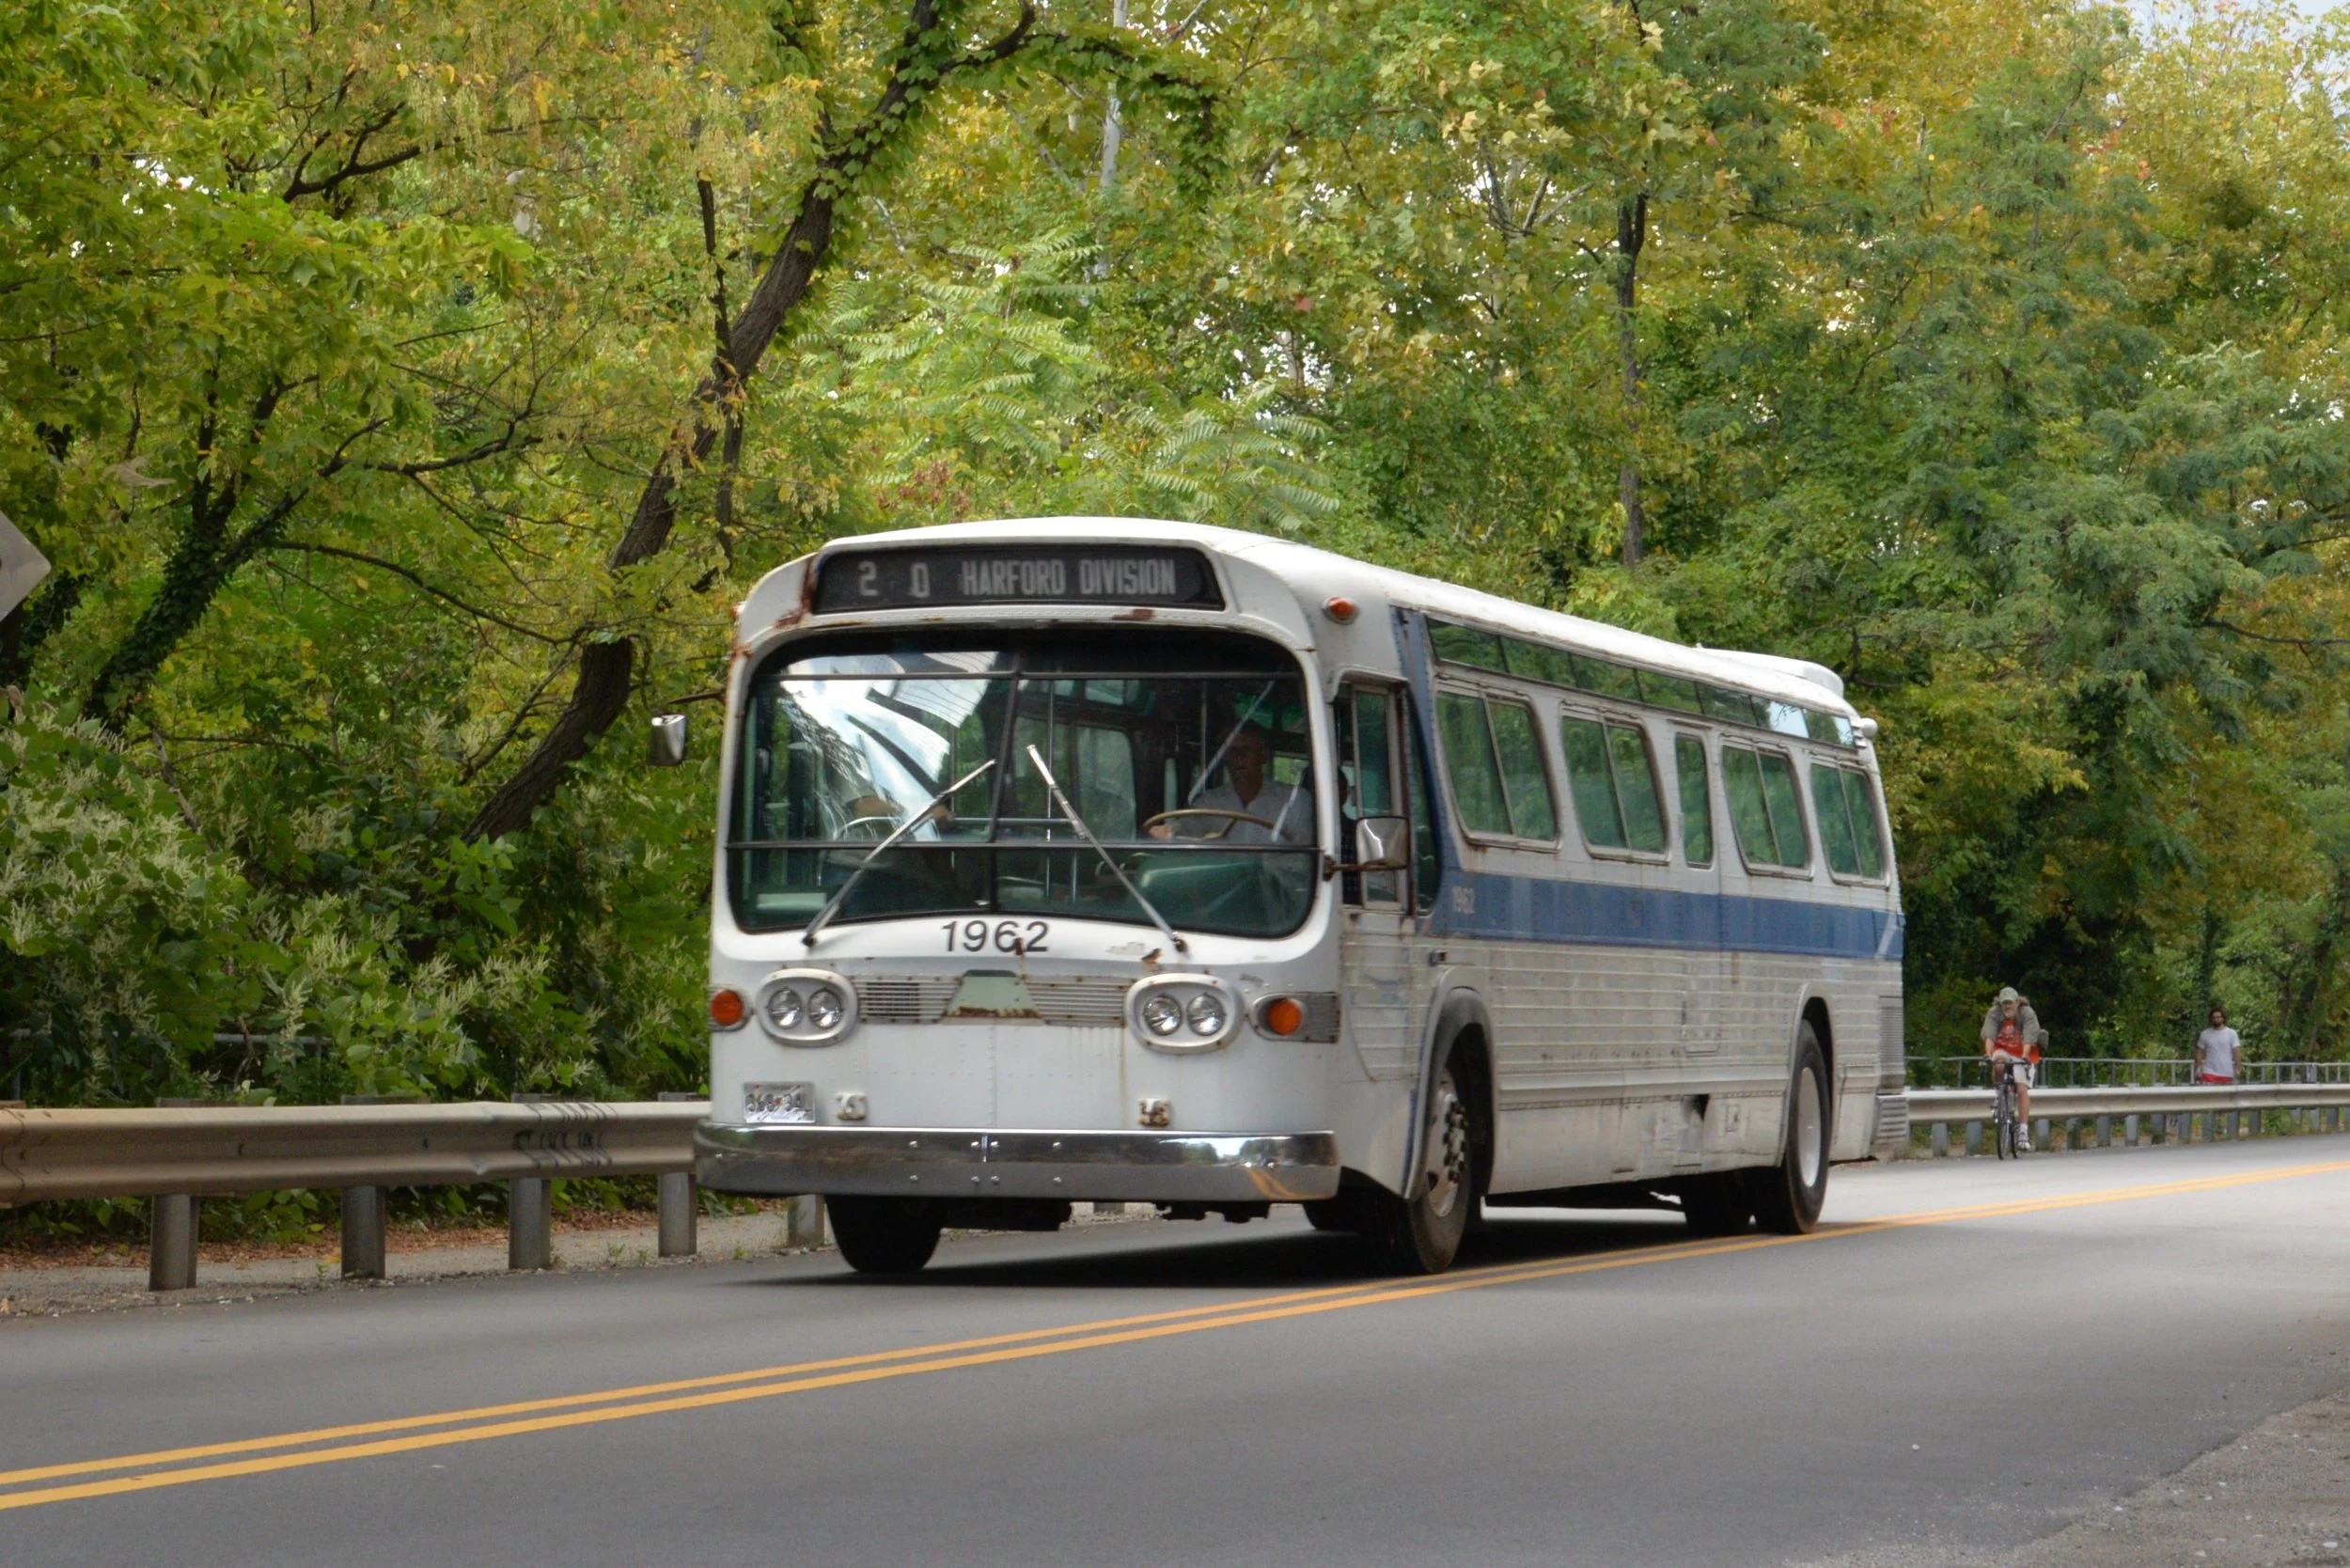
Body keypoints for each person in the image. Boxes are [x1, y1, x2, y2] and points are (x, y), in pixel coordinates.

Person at [1150, 723, 1310, 845]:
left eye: (1246, 750)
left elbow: (1304, 857)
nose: (1238, 757)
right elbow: (1185, 829)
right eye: (1232, 751)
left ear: (1264, 756)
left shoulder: (1295, 800)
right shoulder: (1209, 802)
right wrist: (1166, 831)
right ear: (1224, 758)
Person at [1982, 986, 2044, 1152]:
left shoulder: (2027, 1013)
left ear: (2017, 1002)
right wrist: (1988, 1055)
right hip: (2003, 1050)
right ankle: (1999, 1095)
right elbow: (1989, 1035)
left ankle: (2023, 1132)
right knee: (1998, 1062)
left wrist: (2024, 1058)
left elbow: (2030, 1038)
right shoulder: (1995, 1013)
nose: (2007, 1006)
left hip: (2024, 1052)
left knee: (2022, 1089)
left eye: (2010, 1003)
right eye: (2004, 1004)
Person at [2194, 1007, 2242, 1086]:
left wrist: (2238, 1068)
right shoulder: (2205, 1034)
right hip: (2208, 1072)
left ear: (2223, 1018)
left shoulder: (2231, 1033)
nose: (2216, 1019)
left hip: (2226, 1072)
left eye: (2218, 1017)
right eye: (2214, 1018)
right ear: (2211, 1019)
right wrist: (2197, 1068)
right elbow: (2199, 1052)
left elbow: (2237, 1051)